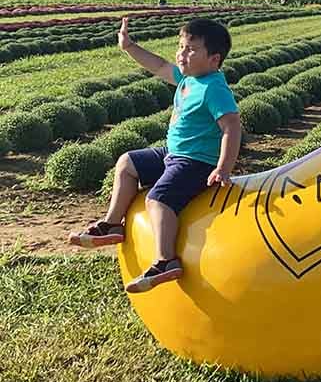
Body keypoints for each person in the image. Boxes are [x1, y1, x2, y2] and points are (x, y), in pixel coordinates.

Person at [69, 17, 242, 294]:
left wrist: (223, 167)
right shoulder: (188, 79)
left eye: (191, 49)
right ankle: (113, 224)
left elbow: (232, 126)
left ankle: (166, 260)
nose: (182, 53)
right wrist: (129, 46)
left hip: (196, 162)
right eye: (181, 46)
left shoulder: (213, 88)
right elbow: (159, 65)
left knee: (158, 200)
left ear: (214, 59)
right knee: (127, 162)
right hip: (174, 154)